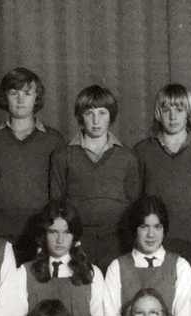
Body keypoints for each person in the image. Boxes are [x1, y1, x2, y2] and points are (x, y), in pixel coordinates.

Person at [49, 85, 141, 268]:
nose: (96, 120)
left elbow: (134, 205)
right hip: (78, 242)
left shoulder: (127, 157)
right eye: (89, 113)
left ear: (111, 116)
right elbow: (57, 203)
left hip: (117, 242)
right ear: (80, 117)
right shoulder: (63, 155)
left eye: (102, 113)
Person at [7, 201, 106, 316]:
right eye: (53, 232)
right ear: (43, 235)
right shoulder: (24, 273)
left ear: (75, 236)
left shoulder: (92, 273)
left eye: (66, 232)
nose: (60, 240)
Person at [0, 68, 65, 263]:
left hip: (39, 229)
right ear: (5, 97)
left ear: (36, 98)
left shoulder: (53, 139)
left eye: (27, 93)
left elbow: (59, 193)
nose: (20, 100)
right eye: (14, 93)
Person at [132, 83, 191, 259]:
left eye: (179, 109)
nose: (172, 116)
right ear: (158, 113)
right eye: (166, 110)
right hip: (154, 244)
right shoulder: (142, 151)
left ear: (188, 112)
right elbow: (136, 201)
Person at [102, 196, 191, 316]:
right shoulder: (117, 267)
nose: (151, 235)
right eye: (144, 227)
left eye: (157, 227)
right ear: (135, 229)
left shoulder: (180, 266)